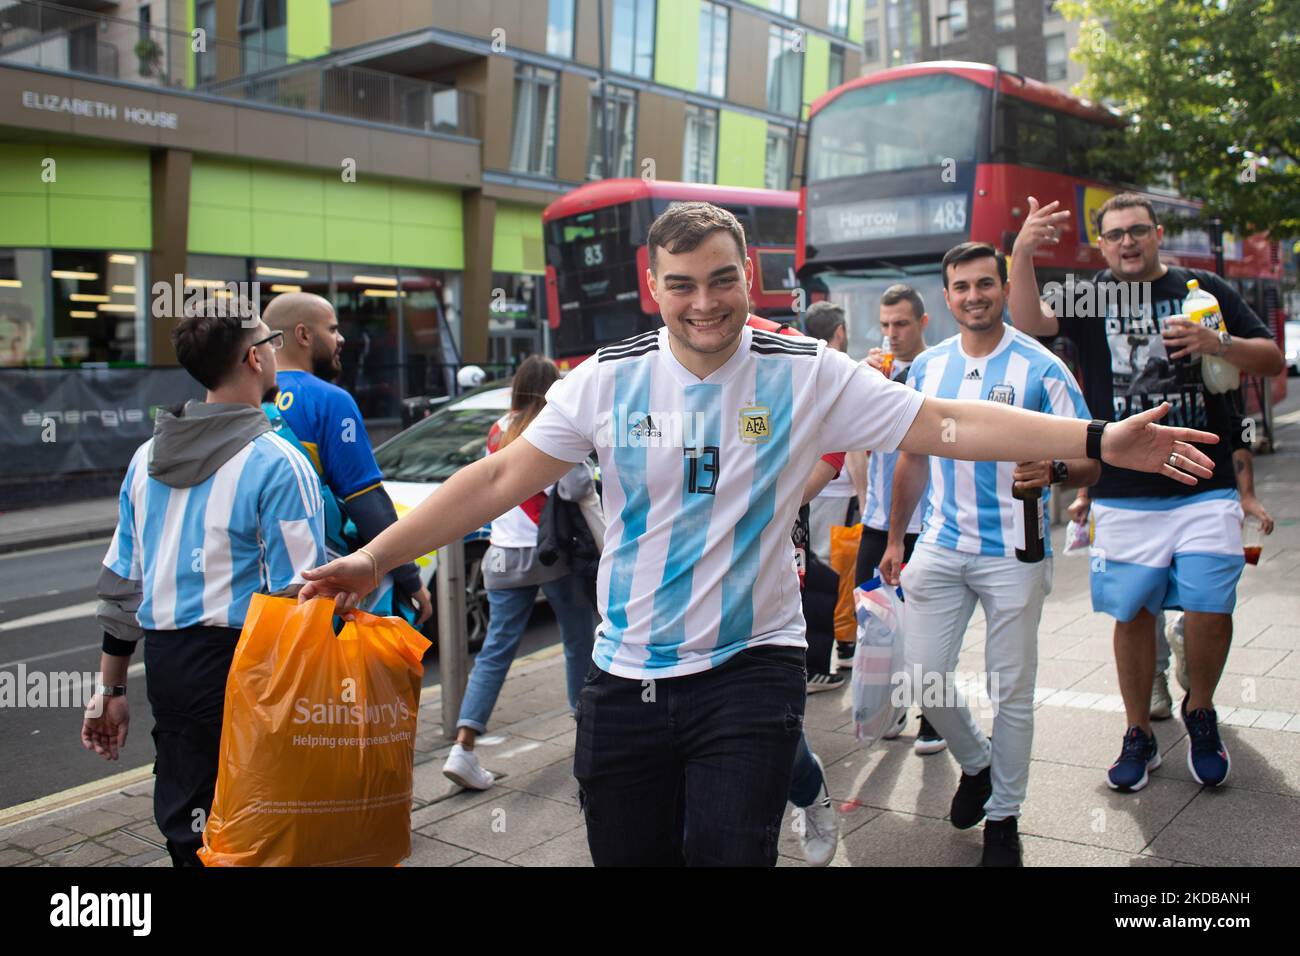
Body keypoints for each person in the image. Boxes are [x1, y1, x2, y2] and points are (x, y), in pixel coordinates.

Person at [300, 202, 1217, 867]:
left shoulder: (804, 370)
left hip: (751, 665)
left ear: (751, 277)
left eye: (724, 280)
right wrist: (375, 557)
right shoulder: (604, 382)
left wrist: (1097, 439)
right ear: (652, 288)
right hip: (623, 677)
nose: (706, 304)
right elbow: (498, 476)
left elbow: (942, 424)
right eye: (683, 285)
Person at [1008, 194, 1283, 792]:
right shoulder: (1092, 294)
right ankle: (1139, 732)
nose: (1127, 242)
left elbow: (1271, 357)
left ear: (1158, 234)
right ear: (1102, 245)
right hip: (1125, 489)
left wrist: (1219, 345)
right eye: (1115, 235)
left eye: (1138, 231)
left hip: (1202, 482)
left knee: (1212, 607)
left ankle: (1201, 709)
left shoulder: (1200, 287)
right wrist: (1023, 252)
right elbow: (1028, 323)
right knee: (1132, 613)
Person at [879, 242, 1101, 866]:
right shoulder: (926, 369)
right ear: (945, 297)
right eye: (961, 287)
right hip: (942, 545)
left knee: (1013, 691)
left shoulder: (1042, 368)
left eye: (985, 284)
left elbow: (1091, 460)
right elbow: (912, 458)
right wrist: (898, 537)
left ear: (1003, 287)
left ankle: (1004, 816)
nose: (974, 296)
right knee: (922, 674)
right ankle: (975, 763)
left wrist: (1053, 467)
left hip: (1015, 551)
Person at [81, 306, 325, 866]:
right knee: (268, 827)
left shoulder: (144, 461)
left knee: (190, 828)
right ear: (254, 357)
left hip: (170, 668)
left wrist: (111, 692)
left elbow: (123, 587)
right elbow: (304, 597)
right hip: (253, 665)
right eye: (272, 341)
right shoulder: (279, 463)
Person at [441, 355, 599, 791]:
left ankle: (464, 746)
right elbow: (575, 488)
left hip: (501, 555)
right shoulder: (552, 426)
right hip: (549, 554)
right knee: (578, 641)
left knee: (495, 651)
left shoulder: (497, 430)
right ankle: (585, 727)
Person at [263, 292, 432, 626]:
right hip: (321, 587)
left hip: (256, 591)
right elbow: (367, 502)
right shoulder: (329, 400)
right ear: (303, 335)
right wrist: (411, 579)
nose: (341, 339)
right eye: (332, 329)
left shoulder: (249, 399)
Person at [854, 284, 946, 755]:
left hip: (926, 520)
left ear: (923, 323)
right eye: (886, 325)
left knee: (928, 624)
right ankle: (890, 707)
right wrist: (862, 383)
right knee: (876, 616)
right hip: (876, 517)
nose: (892, 334)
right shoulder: (875, 372)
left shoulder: (936, 369)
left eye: (902, 324)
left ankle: (935, 718)